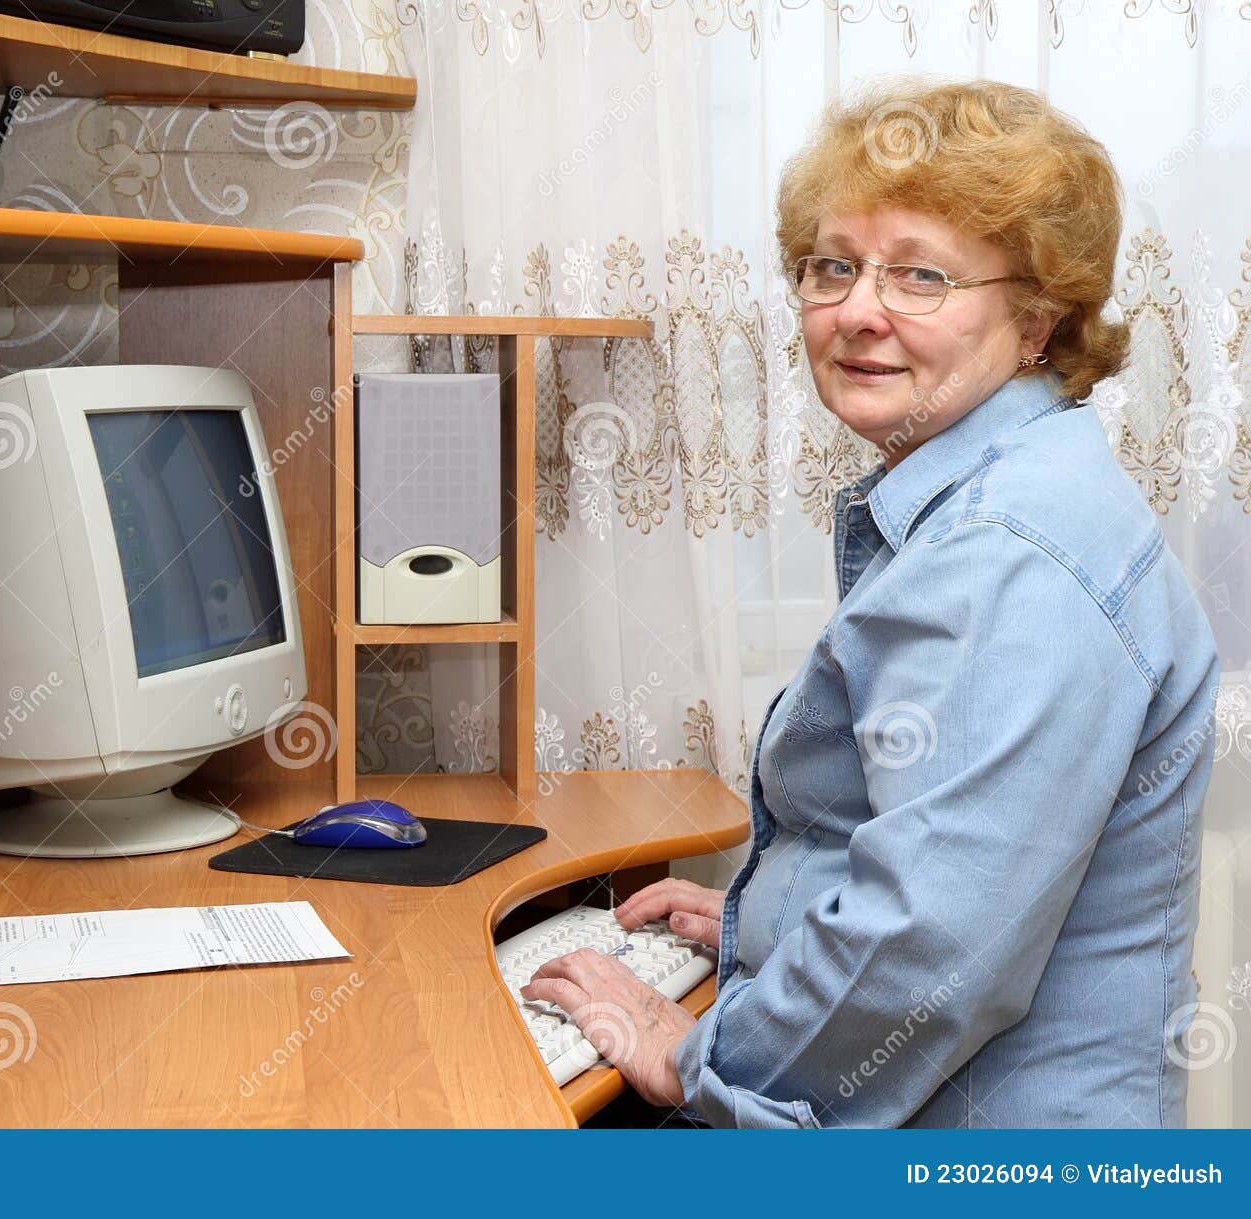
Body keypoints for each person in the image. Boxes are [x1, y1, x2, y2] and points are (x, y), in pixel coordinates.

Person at [522, 79, 1221, 1128]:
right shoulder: (1016, 486)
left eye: (920, 276)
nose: (856, 310)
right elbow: (944, 861)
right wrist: (770, 919)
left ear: (1036, 316)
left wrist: (697, 1052)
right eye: (833, 266)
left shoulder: (1007, 552)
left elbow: (930, 949)